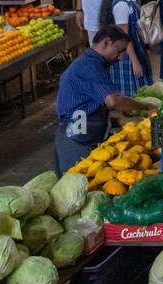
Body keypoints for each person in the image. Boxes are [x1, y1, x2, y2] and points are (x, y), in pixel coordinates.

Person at [54, 28, 150, 174]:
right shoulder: (90, 66)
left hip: (83, 134)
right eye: (119, 50)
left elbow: (96, 106)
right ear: (107, 43)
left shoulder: (90, 62)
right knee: (77, 182)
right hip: (76, 139)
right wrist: (145, 106)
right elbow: (113, 101)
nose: (120, 57)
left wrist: (125, 121)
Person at [99, 0, 152, 96]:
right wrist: (135, 62)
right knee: (133, 94)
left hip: (135, 48)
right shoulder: (121, 5)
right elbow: (123, 37)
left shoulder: (130, 0)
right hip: (127, 55)